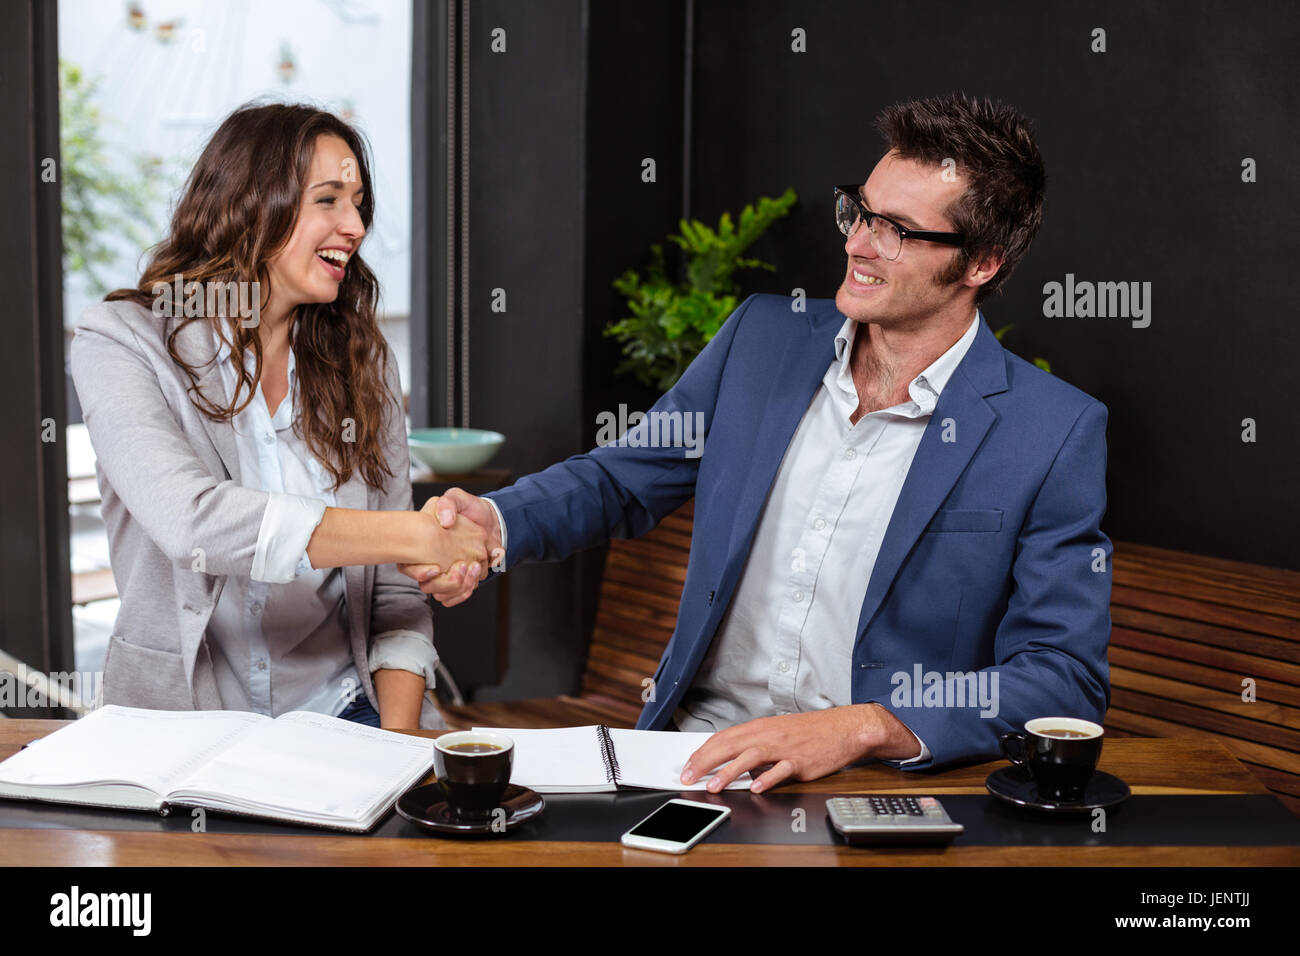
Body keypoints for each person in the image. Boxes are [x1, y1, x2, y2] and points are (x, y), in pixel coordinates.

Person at [404, 92, 1111, 784]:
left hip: (870, 780)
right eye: (859, 211)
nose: (856, 243)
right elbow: (622, 479)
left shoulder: (1050, 430)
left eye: (894, 229)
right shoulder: (761, 341)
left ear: (981, 262)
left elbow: (1062, 678)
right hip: (693, 759)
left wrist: (868, 725)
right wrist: (495, 521)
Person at [70, 103, 489, 730]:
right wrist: (416, 534)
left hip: (348, 717)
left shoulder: (363, 361)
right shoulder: (122, 342)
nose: (354, 225)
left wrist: (393, 752)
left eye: (359, 204)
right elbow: (194, 523)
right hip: (180, 732)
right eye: (328, 200)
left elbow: (396, 597)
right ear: (251, 202)